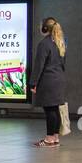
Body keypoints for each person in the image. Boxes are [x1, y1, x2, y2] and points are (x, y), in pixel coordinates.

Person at [28, 17, 67, 148]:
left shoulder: (44, 44)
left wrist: (33, 83)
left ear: (45, 28)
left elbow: (39, 65)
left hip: (48, 80)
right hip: (59, 79)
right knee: (55, 109)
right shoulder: (60, 42)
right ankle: (55, 137)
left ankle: (49, 139)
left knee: (49, 109)